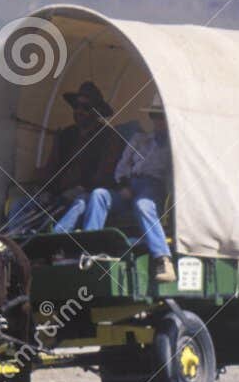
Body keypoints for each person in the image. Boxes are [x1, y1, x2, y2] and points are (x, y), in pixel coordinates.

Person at [4, 81, 124, 234]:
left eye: (85, 108)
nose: (79, 111)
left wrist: (83, 188)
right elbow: (52, 168)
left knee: (79, 204)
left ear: (97, 112)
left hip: (85, 194)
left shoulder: (109, 137)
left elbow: (106, 174)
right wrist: (46, 188)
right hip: (59, 195)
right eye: (76, 107)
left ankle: (56, 238)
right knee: (19, 205)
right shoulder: (66, 135)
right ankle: (15, 242)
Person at [67, 113, 175, 282]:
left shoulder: (175, 144)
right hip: (131, 184)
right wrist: (124, 184)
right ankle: (89, 248)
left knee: (143, 205)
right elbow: (122, 167)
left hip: (154, 187)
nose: (158, 121)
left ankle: (162, 259)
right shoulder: (140, 139)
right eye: (154, 116)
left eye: (161, 116)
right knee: (99, 195)